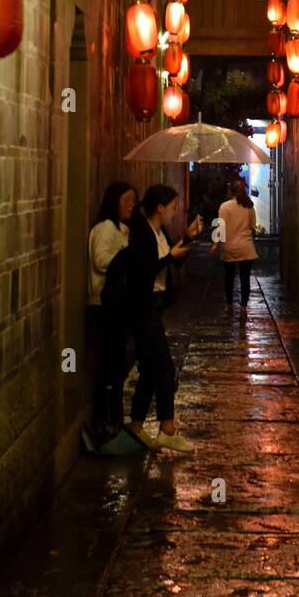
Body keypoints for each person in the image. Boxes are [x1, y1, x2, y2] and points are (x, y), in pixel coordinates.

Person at [122, 185, 201, 453]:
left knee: (150, 368)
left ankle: (135, 425)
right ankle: (167, 428)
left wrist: (188, 239)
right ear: (160, 207)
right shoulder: (143, 233)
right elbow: (142, 271)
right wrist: (169, 256)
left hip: (154, 307)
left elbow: (173, 264)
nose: (175, 211)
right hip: (141, 309)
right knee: (165, 368)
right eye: (173, 207)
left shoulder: (160, 232)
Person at [87, 181, 138, 431]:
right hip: (103, 304)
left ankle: (114, 418)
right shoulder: (106, 228)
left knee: (118, 363)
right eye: (126, 200)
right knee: (110, 362)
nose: (131, 205)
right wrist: (125, 256)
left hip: (118, 304)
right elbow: (100, 260)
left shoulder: (123, 229)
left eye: (133, 201)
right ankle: (106, 419)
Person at [214, 177, 258, 318]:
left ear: (230, 191)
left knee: (229, 278)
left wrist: (215, 244)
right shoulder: (249, 206)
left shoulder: (224, 206)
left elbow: (220, 228)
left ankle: (229, 305)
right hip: (246, 247)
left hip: (230, 247)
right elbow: (252, 227)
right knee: (245, 279)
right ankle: (244, 308)